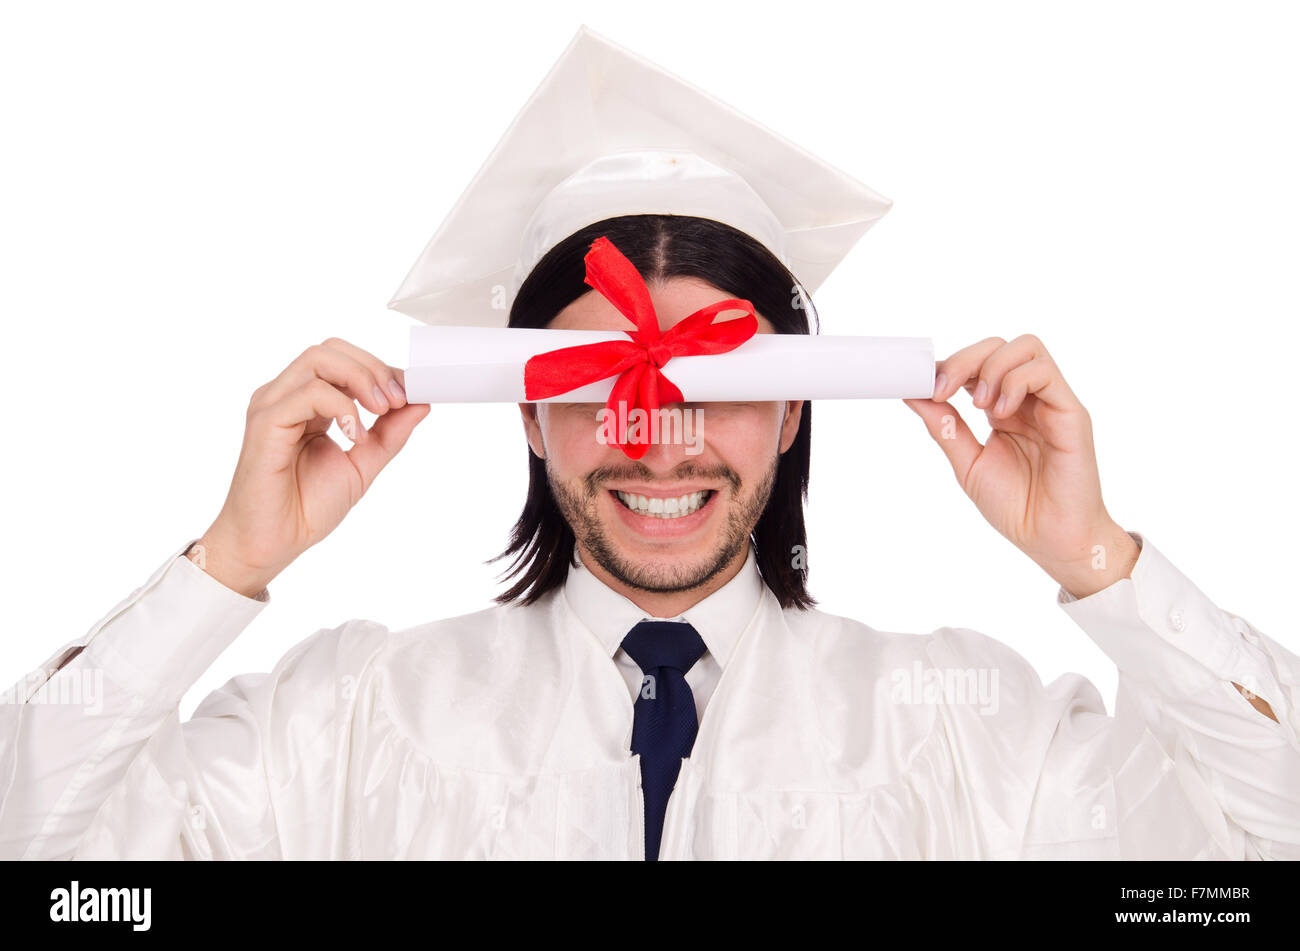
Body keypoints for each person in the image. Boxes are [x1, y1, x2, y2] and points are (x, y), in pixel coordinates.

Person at [1, 27, 1296, 861]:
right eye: (603, 380)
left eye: (720, 381)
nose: (659, 438)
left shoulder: (968, 727)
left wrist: (1104, 564)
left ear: (795, 408)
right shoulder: (350, 719)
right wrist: (224, 565)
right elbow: (37, 843)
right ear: (527, 408)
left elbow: (1260, 840)